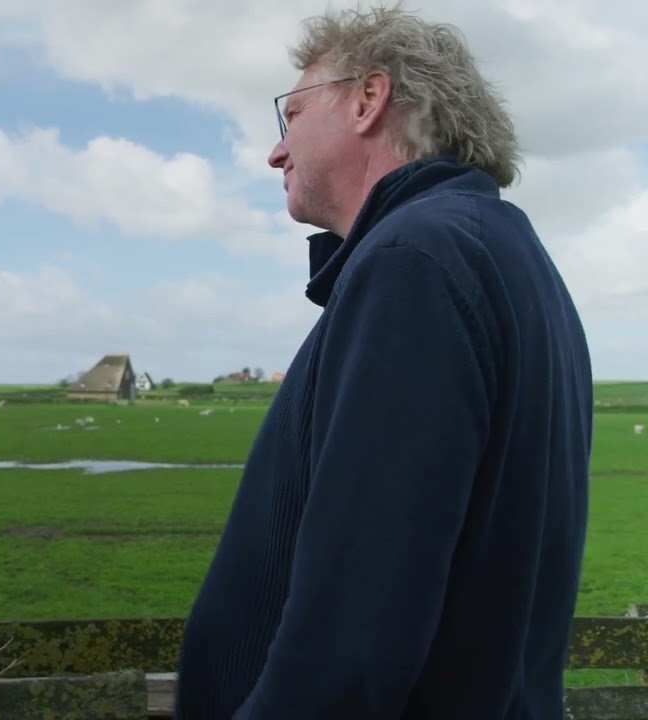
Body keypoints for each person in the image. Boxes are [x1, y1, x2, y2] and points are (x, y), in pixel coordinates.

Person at [175, 6, 591, 719]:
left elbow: (353, 637)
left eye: (292, 115)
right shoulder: (509, 256)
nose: (276, 153)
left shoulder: (414, 261)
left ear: (368, 99)